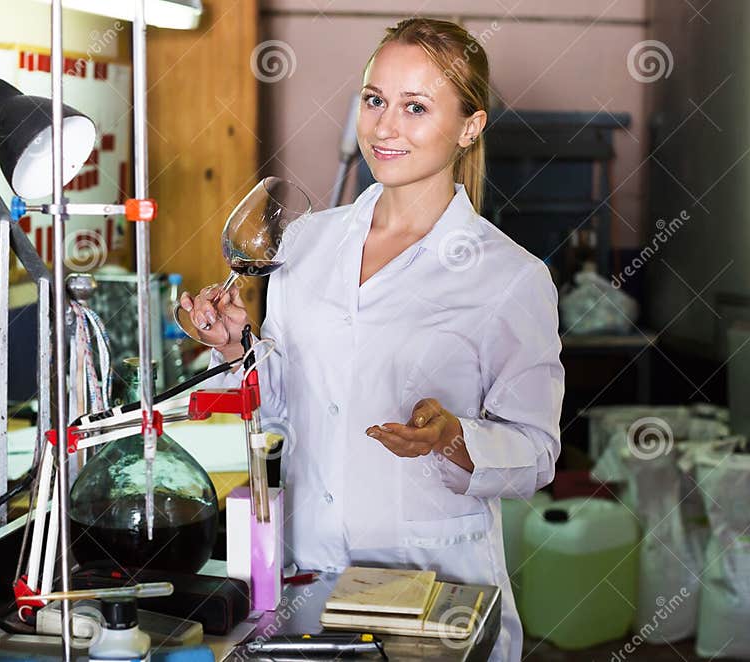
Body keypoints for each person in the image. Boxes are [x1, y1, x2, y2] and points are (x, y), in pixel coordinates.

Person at [181, 17, 563, 661]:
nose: (386, 126)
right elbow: (283, 404)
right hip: (308, 583)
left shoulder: (511, 276)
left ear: (470, 126)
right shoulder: (305, 242)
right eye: (374, 100)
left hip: (433, 595)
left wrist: (455, 439)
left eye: (417, 107)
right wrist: (235, 348)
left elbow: (538, 453)